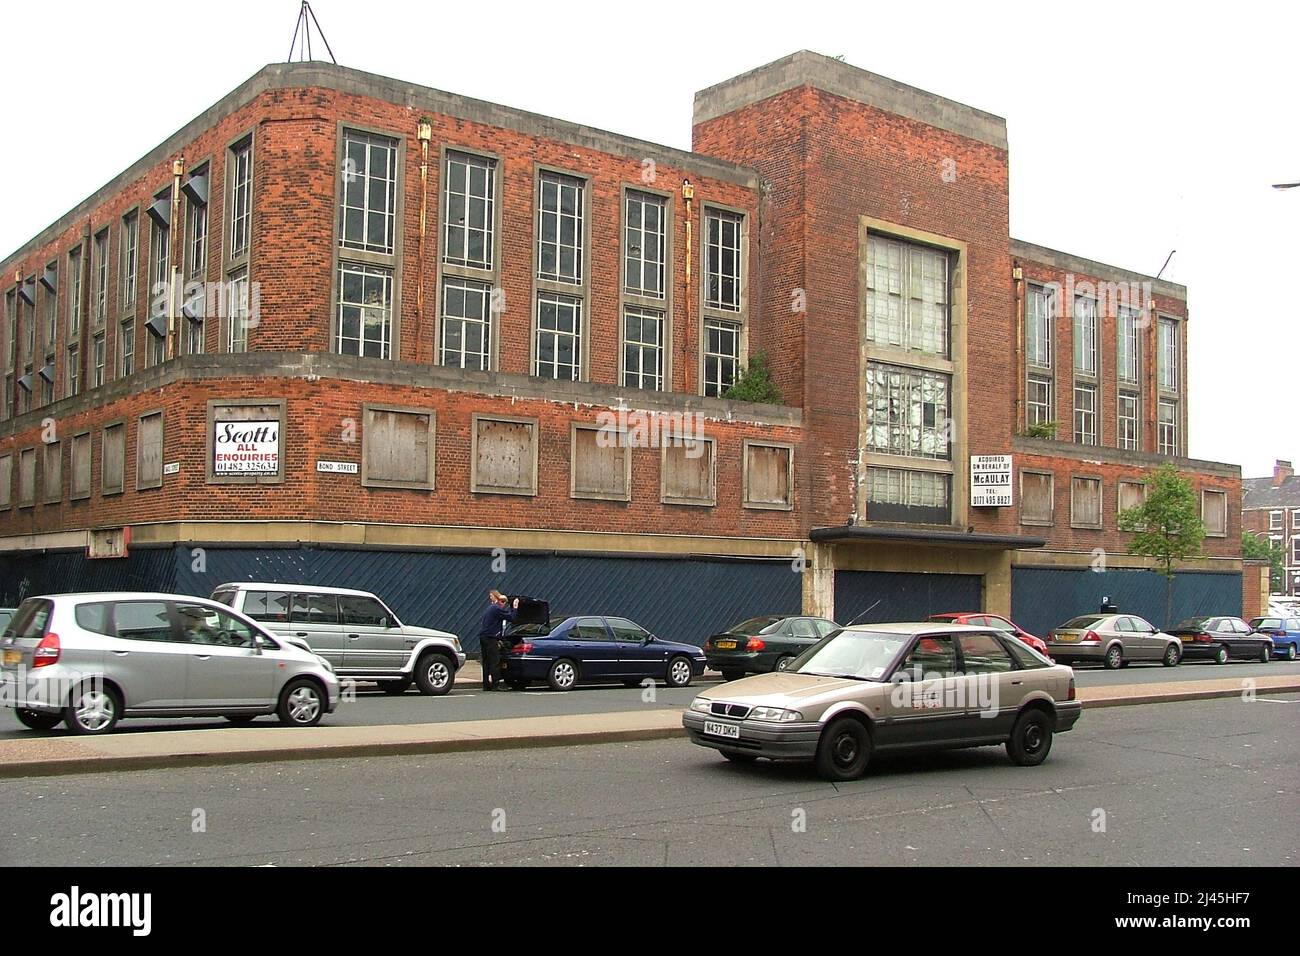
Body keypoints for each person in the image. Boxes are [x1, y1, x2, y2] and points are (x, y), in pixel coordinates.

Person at [477, 590, 519, 691]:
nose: (504, 605)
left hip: (484, 637)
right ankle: (496, 685)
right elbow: (512, 618)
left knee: (486, 662)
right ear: (499, 600)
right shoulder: (497, 609)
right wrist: (515, 607)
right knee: (495, 661)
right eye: (503, 602)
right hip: (491, 638)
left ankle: (486, 685)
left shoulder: (491, 608)